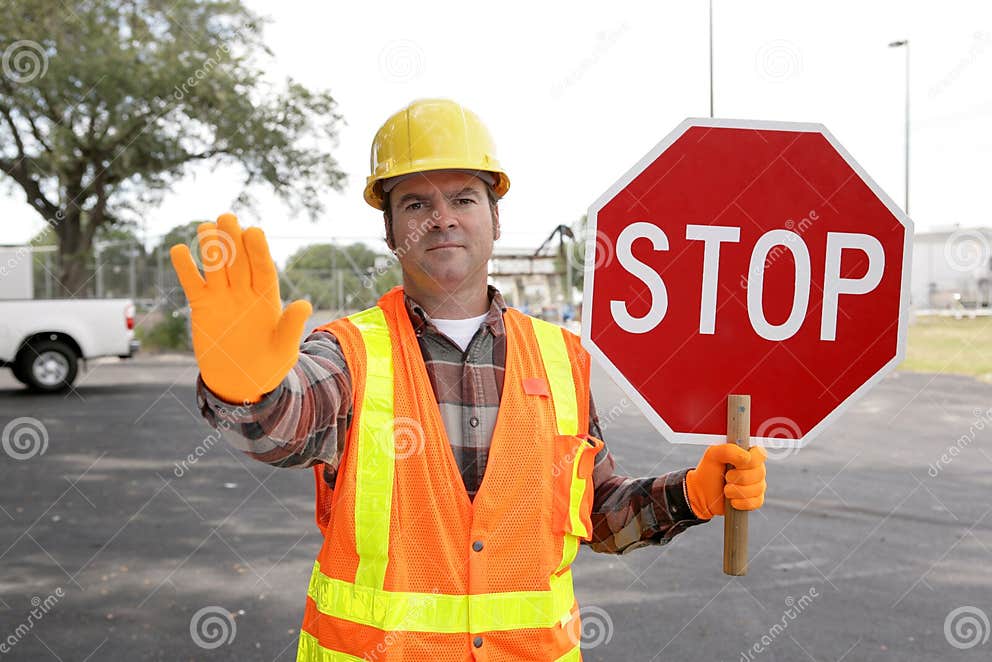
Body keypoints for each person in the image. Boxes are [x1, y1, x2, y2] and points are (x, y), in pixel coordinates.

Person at [170, 98, 767, 661]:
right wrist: (244, 387)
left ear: (496, 217)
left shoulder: (560, 357)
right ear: (390, 231)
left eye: (462, 198)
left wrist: (691, 495)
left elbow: (593, 513)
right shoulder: (348, 355)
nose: (442, 219)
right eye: (415, 205)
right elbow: (282, 426)